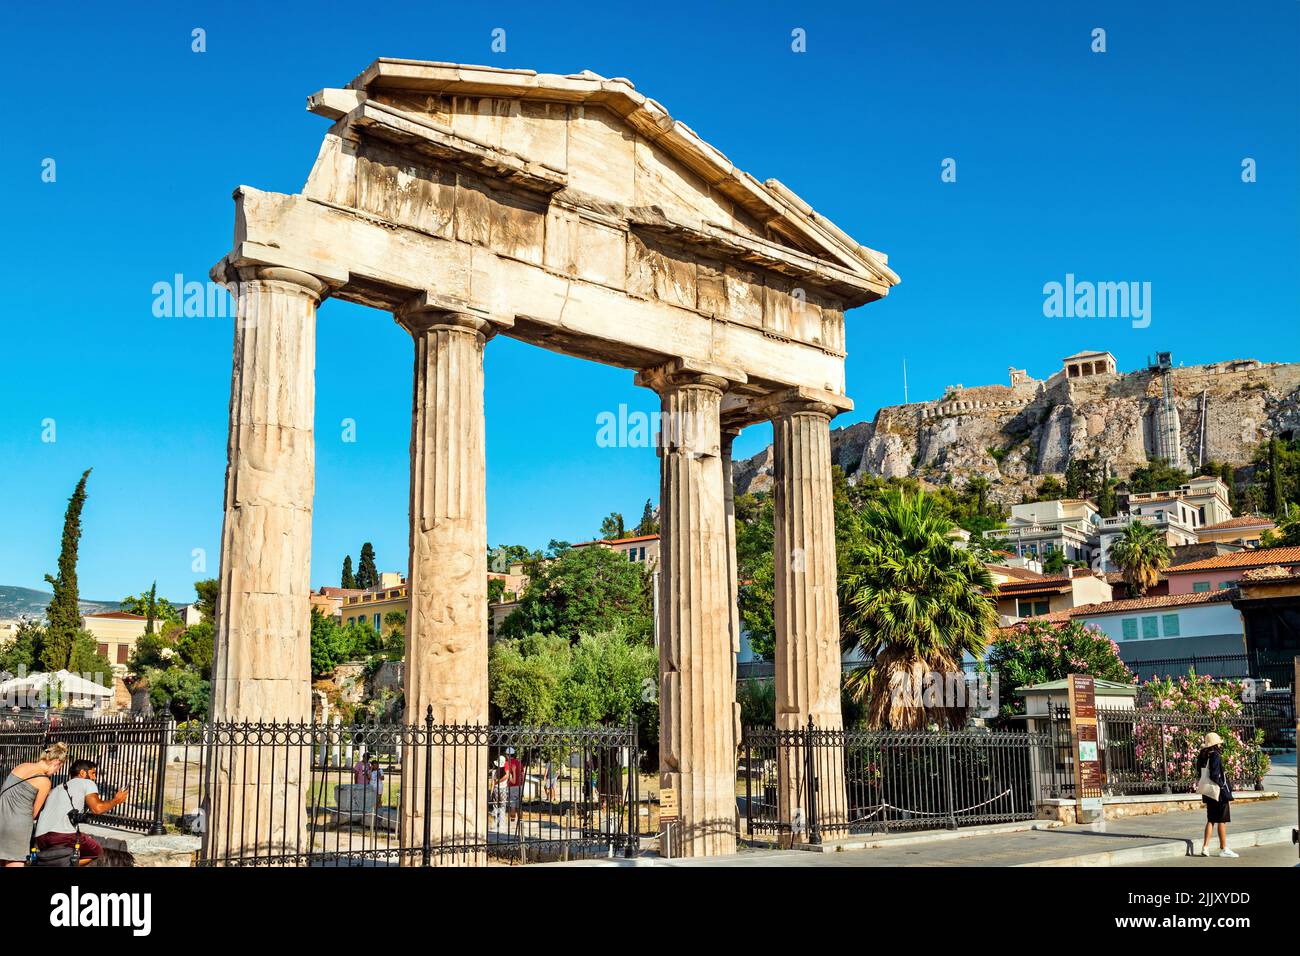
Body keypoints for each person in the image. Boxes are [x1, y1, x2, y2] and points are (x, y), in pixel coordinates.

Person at [35, 759, 129, 866]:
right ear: (83, 773)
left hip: (40, 838)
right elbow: (97, 808)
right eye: (93, 773)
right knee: (95, 851)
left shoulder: (58, 788)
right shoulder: (86, 782)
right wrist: (115, 801)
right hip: (63, 836)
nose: (95, 778)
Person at [0, 742, 66, 867]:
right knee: (15, 861)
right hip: (18, 827)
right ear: (56, 762)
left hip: (1, 819)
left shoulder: (21, 766)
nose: (56, 772)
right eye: (59, 768)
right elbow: (34, 812)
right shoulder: (44, 781)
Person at [1196, 732, 1237, 858]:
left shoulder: (1202, 756)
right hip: (1218, 792)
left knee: (1211, 820)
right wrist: (1222, 785)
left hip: (1208, 792)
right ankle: (1223, 848)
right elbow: (1214, 774)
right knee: (1222, 820)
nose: (1220, 744)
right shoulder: (1215, 756)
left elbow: (1201, 773)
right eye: (1219, 742)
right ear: (1216, 743)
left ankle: (1205, 847)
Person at [504, 747, 524, 823]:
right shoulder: (519, 762)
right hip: (520, 786)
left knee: (512, 805)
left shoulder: (507, 763)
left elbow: (508, 775)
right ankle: (520, 821)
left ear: (507, 755)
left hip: (512, 786)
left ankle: (512, 822)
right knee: (519, 805)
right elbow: (522, 774)